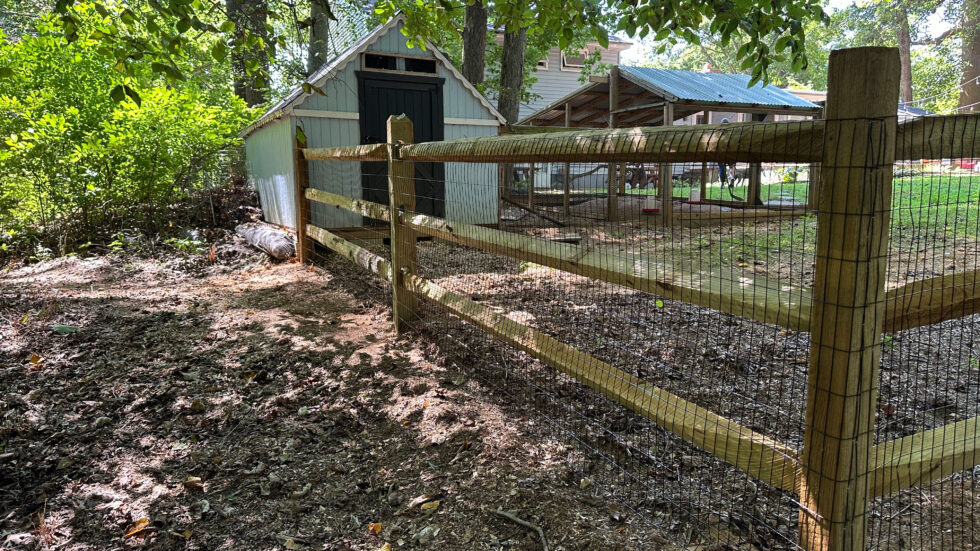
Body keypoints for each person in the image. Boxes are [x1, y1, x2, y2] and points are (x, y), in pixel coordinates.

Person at [717, 118, 742, 201]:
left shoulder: (721, 133)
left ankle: (727, 182)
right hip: (726, 153)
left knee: (727, 168)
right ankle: (727, 182)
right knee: (726, 168)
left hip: (727, 153)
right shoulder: (731, 132)